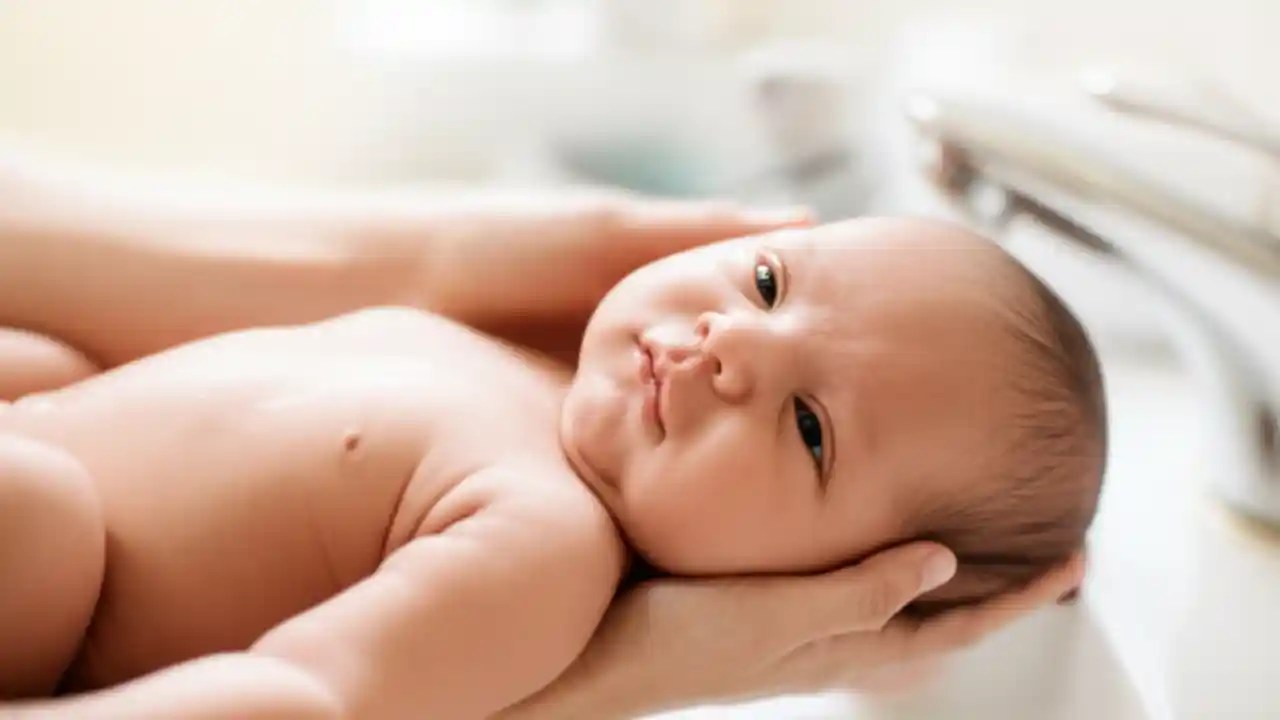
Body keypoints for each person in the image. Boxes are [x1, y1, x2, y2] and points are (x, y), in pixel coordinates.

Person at [0, 147, 1085, 718]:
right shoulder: (515, 357)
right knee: (47, 368)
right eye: (765, 281)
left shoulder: (542, 548)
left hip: (43, 578)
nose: (733, 347)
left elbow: (308, 698)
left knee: (41, 516)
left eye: (808, 429)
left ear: (821, 588)